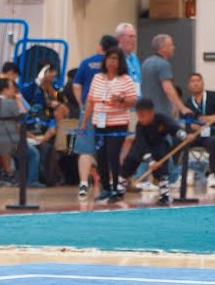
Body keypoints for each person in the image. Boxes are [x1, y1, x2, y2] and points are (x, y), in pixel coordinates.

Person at [80, 47, 137, 203]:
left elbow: (133, 101)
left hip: (117, 123)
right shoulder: (98, 78)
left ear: (120, 62)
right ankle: (105, 188)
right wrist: (84, 122)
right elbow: (90, 101)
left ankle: (117, 188)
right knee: (101, 156)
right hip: (99, 123)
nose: (111, 62)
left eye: (115, 59)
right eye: (109, 58)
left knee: (113, 155)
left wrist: (122, 100)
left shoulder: (126, 79)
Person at [70, 34, 118, 199]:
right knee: (109, 146)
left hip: (89, 107)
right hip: (109, 109)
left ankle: (84, 183)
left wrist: (81, 103)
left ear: (100, 46)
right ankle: (109, 183)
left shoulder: (86, 62)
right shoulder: (115, 63)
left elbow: (76, 85)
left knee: (85, 147)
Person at [120, 98, 177, 206]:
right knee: (130, 160)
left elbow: (174, 128)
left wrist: (183, 135)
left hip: (159, 146)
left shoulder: (161, 119)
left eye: (143, 116)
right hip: (142, 148)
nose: (141, 119)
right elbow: (141, 144)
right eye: (139, 116)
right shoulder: (139, 126)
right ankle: (119, 191)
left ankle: (165, 195)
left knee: (161, 165)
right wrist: (150, 161)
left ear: (152, 113)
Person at [182, 72, 215, 187]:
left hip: (210, 136)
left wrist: (208, 119)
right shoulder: (187, 102)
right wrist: (192, 127)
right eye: (193, 81)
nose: (196, 83)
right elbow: (184, 123)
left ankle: (212, 174)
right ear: (188, 85)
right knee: (179, 140)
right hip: (194, 136)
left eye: (198, 81)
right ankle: (183, 174)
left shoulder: (213, 96)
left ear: (203, 83)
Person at [140, 34, 194, 125]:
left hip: (146, 113)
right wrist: (183, 108)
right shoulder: (163, 64)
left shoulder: (145, 63)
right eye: (171, 45)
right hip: (161, 115)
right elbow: (168, 89)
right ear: (163, 47)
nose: (174, 47)